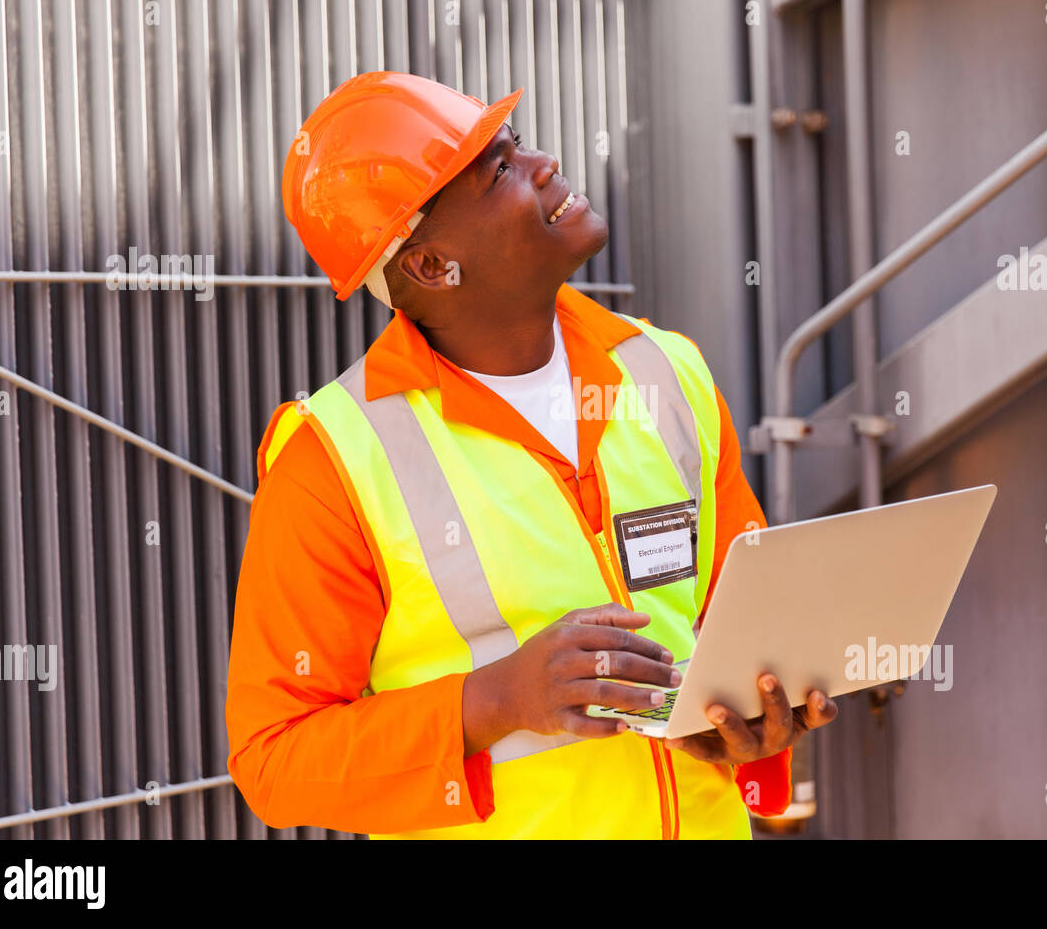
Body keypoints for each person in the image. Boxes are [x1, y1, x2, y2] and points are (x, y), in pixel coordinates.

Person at [226, 72, 838, 839]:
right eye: (498, 171)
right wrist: (497, 700)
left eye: (516, 147)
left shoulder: (666, 371)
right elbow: (274, 761)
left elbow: (737, 626)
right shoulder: (334, 462)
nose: (544, 164)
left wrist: (750, 722)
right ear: (430, 266)